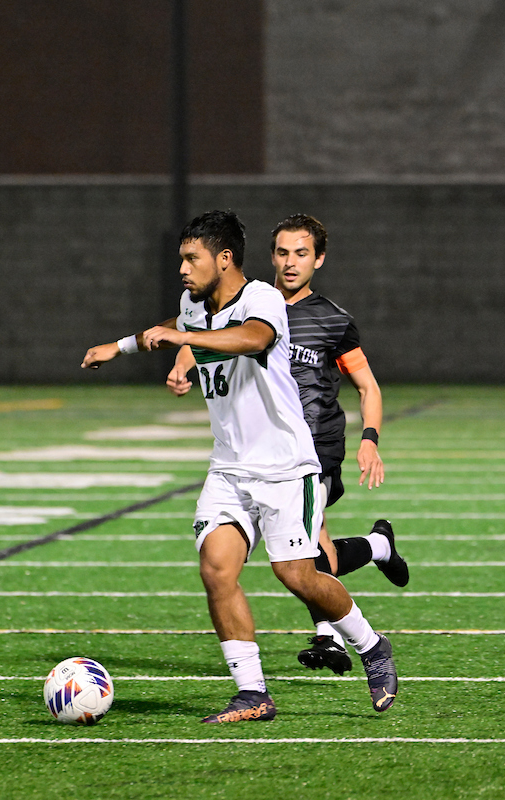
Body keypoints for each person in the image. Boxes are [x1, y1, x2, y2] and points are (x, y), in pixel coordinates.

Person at [81, 209, 398, 722]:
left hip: (286, 467)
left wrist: (187, 343)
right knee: (217, 569)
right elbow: (172, 325)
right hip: (229, 469)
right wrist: (118, 347)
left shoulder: (262, 299)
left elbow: (253, 339)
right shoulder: (193, 305)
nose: (182, 270)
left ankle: (371, 646)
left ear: (224, 259)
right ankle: (253, 693)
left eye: (192, 259)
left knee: (297, 575)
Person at [170, 212, 408, 677]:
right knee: (318, 561)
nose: (291, 262)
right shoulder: (245, 303)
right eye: (282, 252)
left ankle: (332, 637)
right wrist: (184, 359)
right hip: (259, 451)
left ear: (319, 259)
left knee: (304, 564)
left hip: (314, 448)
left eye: (302, 253)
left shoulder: (332, 320)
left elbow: (368, 387)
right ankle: (377, 548)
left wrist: (370, 439)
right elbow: (199, 329)